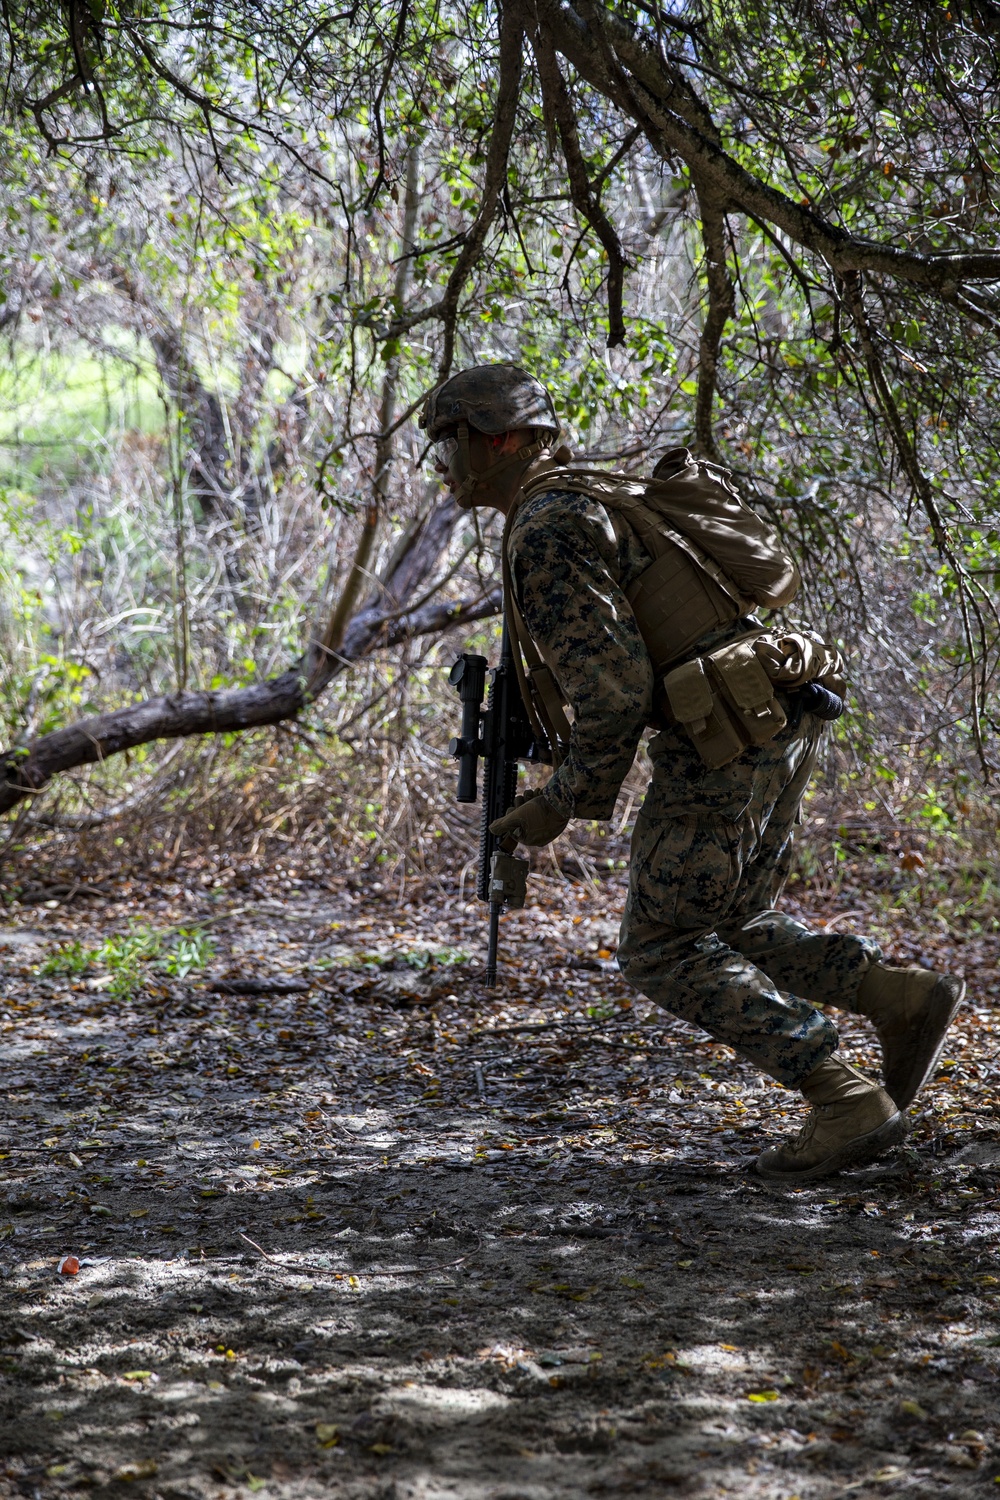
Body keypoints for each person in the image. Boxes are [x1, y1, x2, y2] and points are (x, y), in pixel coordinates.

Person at [421, 364, 965, 1183]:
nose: (443, 463)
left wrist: (557, 806)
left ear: (496, 440)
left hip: (726, 726)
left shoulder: (548, 528)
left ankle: (842, 1097)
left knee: (661, 945)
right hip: (771, 709)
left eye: (449, 441)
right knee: (733, 916)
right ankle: (899, 999)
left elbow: (612, 692)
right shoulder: (585, 497)